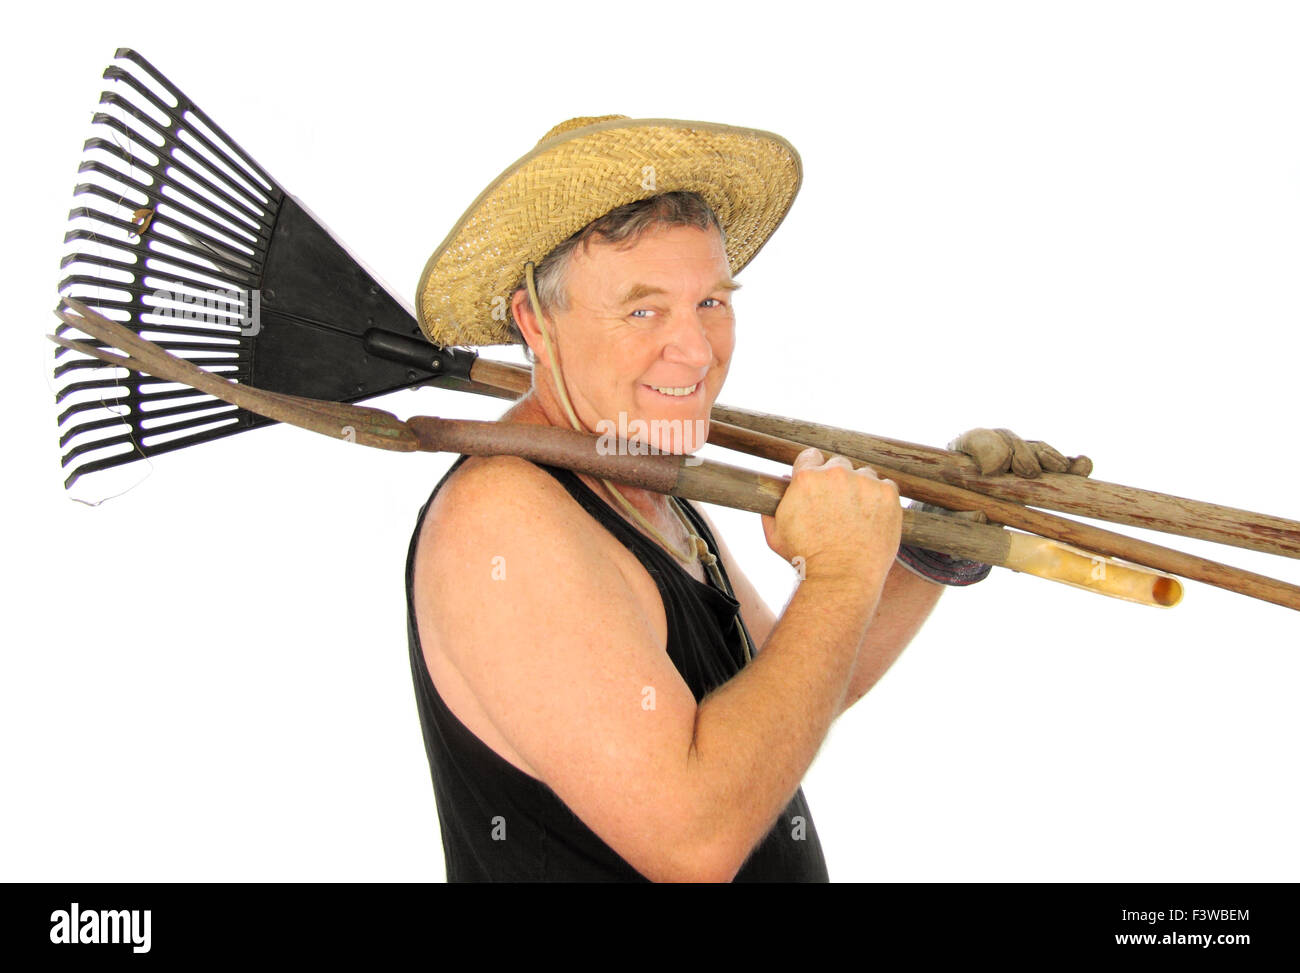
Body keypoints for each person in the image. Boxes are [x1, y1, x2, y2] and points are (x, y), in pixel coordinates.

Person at [404, 116, 1086, 882]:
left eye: (712, 302)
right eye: (643, 309)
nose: (695, 350)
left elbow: (801, 684)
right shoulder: (505, 520)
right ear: (536, 321)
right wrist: (836, 575)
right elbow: (693, 843)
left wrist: (937, 543)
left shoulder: (645, 486)